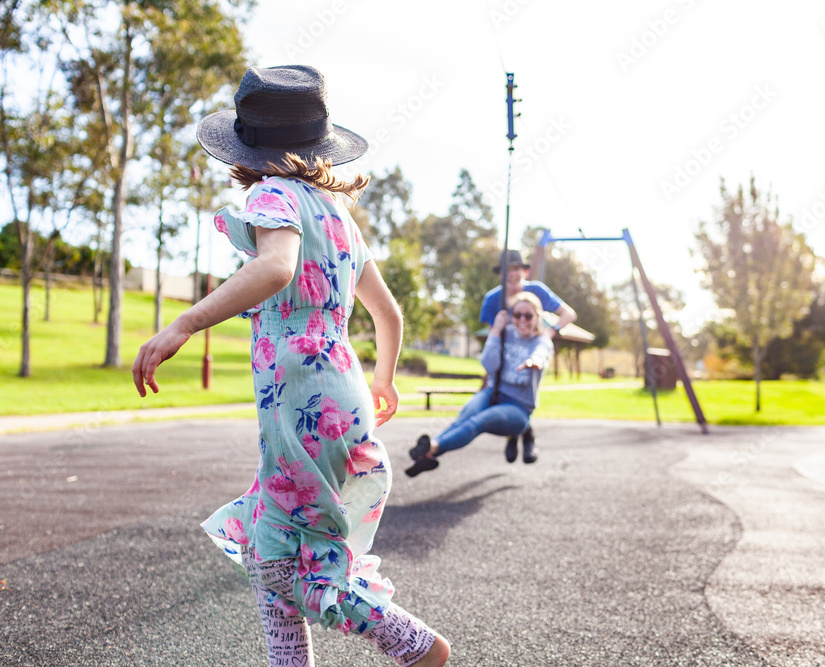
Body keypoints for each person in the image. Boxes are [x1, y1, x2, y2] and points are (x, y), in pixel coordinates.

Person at [132, 65, 449, 667]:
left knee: (278, 557)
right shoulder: (337, 215)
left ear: (249, 149)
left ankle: (413, 644)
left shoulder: (271, 196)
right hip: (341, 384)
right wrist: (382, 379)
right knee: (265, 537)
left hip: (299, 391)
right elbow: (389, 313)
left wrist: (184, 323)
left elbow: (276, 268)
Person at [406, 291, 554, 477]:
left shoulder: (541, 340)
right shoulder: (505, 334)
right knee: (464, 417)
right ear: (511, 317)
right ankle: (427, 455)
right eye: (517, 315)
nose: (522, 319)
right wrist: (495, 331)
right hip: (493, 393)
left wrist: (535, 360)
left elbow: (542, 351)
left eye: (528, 315)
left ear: (537, 317)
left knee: (479, 421)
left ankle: (433, 447)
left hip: (518, 407)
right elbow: (488, 364)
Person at [479, 249, 576, 464]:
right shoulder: (492, 299)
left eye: (516, 269)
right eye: (507, 270)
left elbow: (569, 314)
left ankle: (526, 434)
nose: (512, 274)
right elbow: (492, 334)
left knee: (526, 392)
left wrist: (552, 331)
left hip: (532, 353)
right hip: (506, 356)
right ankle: (515, 434)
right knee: (501, 395)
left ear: (525, 271)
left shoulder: (537, 291)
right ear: (500, 274)